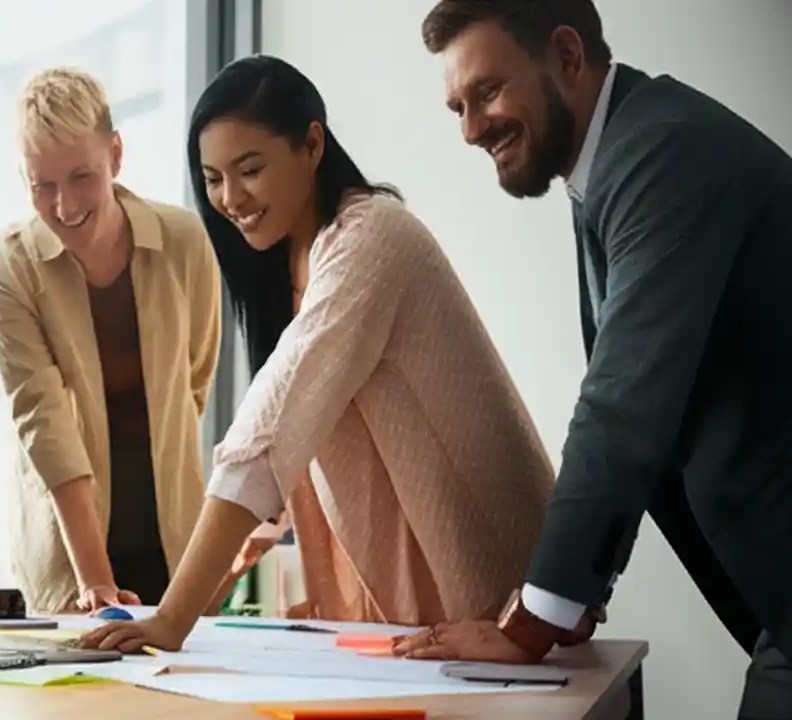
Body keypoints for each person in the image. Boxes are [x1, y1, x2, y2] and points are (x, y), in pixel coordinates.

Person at [81, 54, 556, 653]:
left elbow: (268, 429)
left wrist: (171, 620)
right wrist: (186, 600)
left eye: (249, 168)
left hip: (506, 614)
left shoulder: (370, 238)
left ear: (311, 146)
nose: (230, 198)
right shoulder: (285, 265)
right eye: (212, 178)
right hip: (409, 626)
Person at [397, 1, 792, 716]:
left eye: (486, 92)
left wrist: (535, 621)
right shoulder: (620, 156)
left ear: (568, 58)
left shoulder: (663, 152)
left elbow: (623, 404)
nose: (470, 129)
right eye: (457, 106)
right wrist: (575, 596)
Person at [0, 67, 221, 615]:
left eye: (82, 177)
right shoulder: (10, 263)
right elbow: (42, 418)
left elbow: (196, 379)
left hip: (173, 533)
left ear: (115, 155)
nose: (64, 207)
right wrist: (96, 581)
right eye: (42, 185)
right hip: (68, 545)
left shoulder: (184, 240)